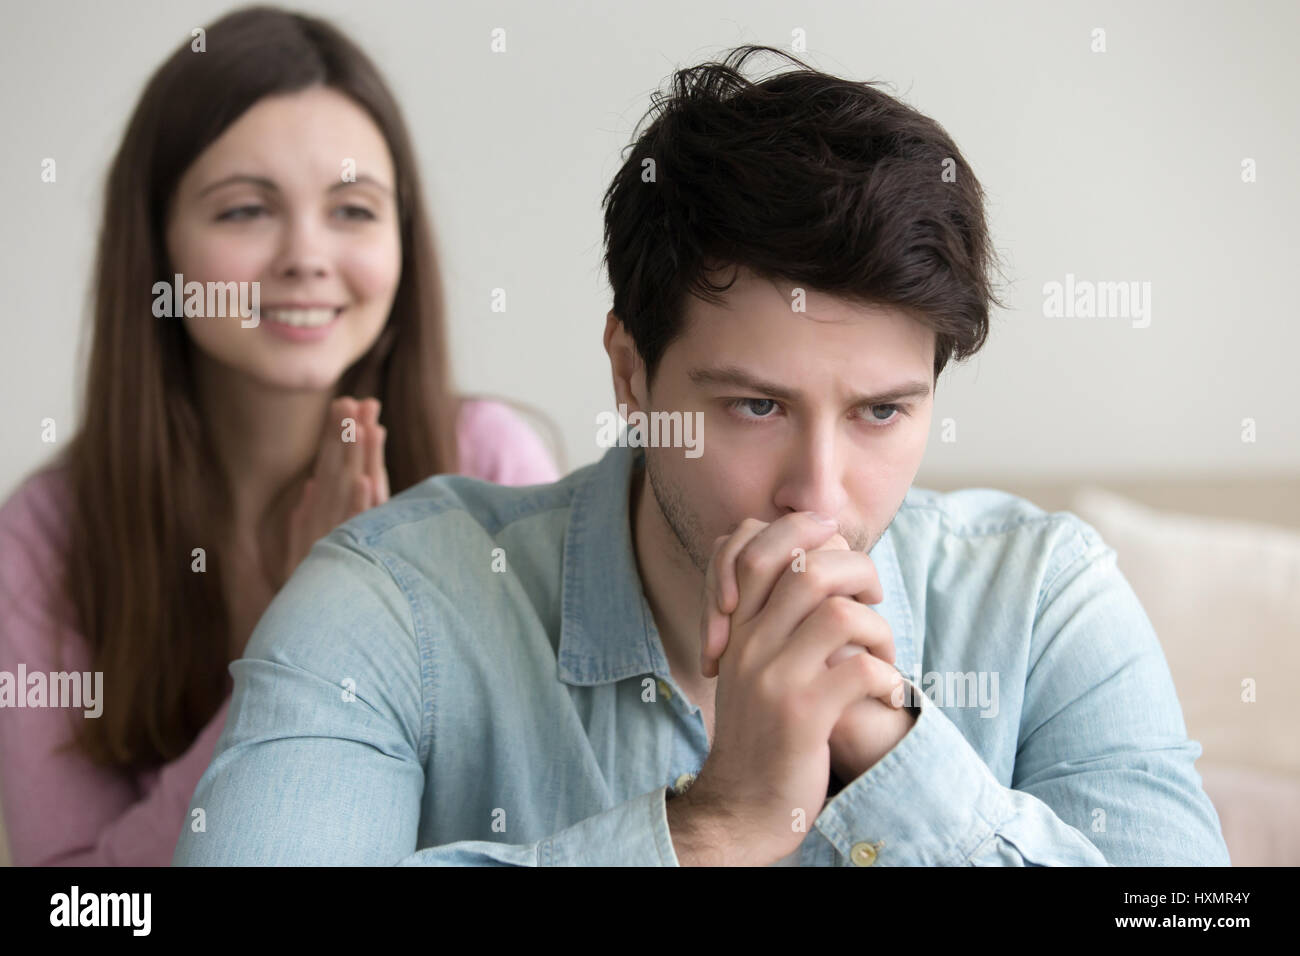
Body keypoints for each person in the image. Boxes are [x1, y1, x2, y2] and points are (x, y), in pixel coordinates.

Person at [171, 45, 1229, 866]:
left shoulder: (1045, 600)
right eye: (757, 405)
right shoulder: (393, 605)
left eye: (880, 413)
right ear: (630, 376)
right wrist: (712, 826)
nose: (817, 491)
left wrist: (897, 751)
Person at [0, 6, 559, 867]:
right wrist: (297, 632)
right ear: (155, 251)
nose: (306, 255)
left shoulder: (492, 463)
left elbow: (549, 826)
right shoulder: (43, 539)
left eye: (353, 210)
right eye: (245, 211)